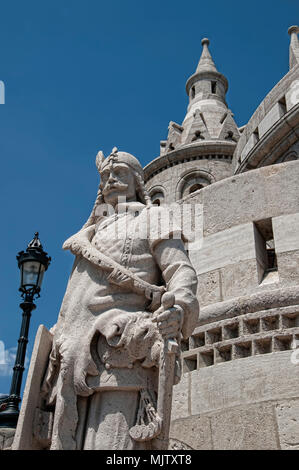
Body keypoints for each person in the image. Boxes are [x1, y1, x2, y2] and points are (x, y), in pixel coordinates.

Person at [41, 148, 199, 450]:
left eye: (119, 173)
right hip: (72, 355)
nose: (111, 179)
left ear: (137, 180)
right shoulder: (91, 233)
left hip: (121, 351)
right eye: (105, 176)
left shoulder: (153, 216)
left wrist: (178, 307)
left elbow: (180, 270)